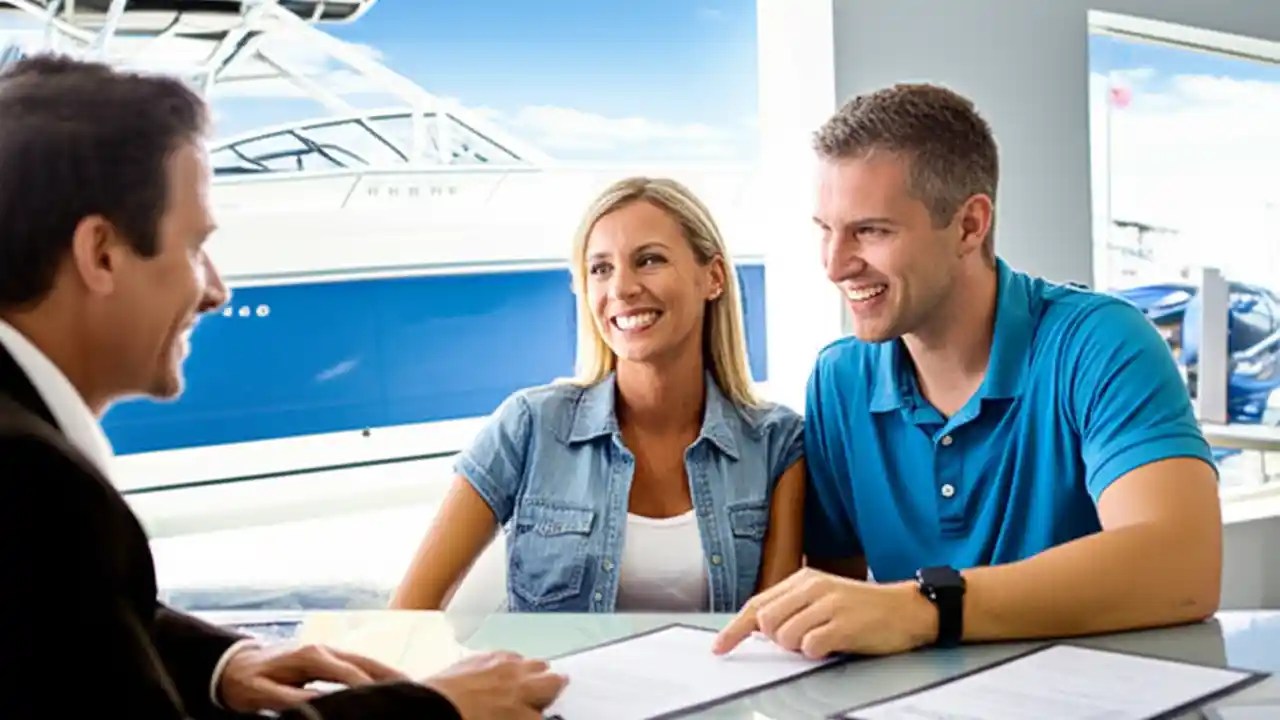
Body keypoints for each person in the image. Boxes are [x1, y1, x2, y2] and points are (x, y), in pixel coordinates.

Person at [0, 53, 565, 719]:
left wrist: (220, 663)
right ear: (101, 254)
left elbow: (60, 616)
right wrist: (434, 707)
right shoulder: (33, 480)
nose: (216, 290)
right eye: (193, 246)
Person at [713, 83, 1222, 658]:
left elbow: (1182, 568)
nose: (835, 264)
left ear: (969, 226)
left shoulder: (1101, 342)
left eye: (871, 231)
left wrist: (924, 607)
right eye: (825, 229)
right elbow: (844, 601)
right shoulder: (839, 380)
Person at [391, 176, 806, 613]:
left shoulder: (777, 443)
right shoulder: (529, 426)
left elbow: (769, 641)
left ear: (714, 278)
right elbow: (406, 615)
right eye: (600, 268)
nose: (621, 289)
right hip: (554, 684)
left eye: (649, 260)